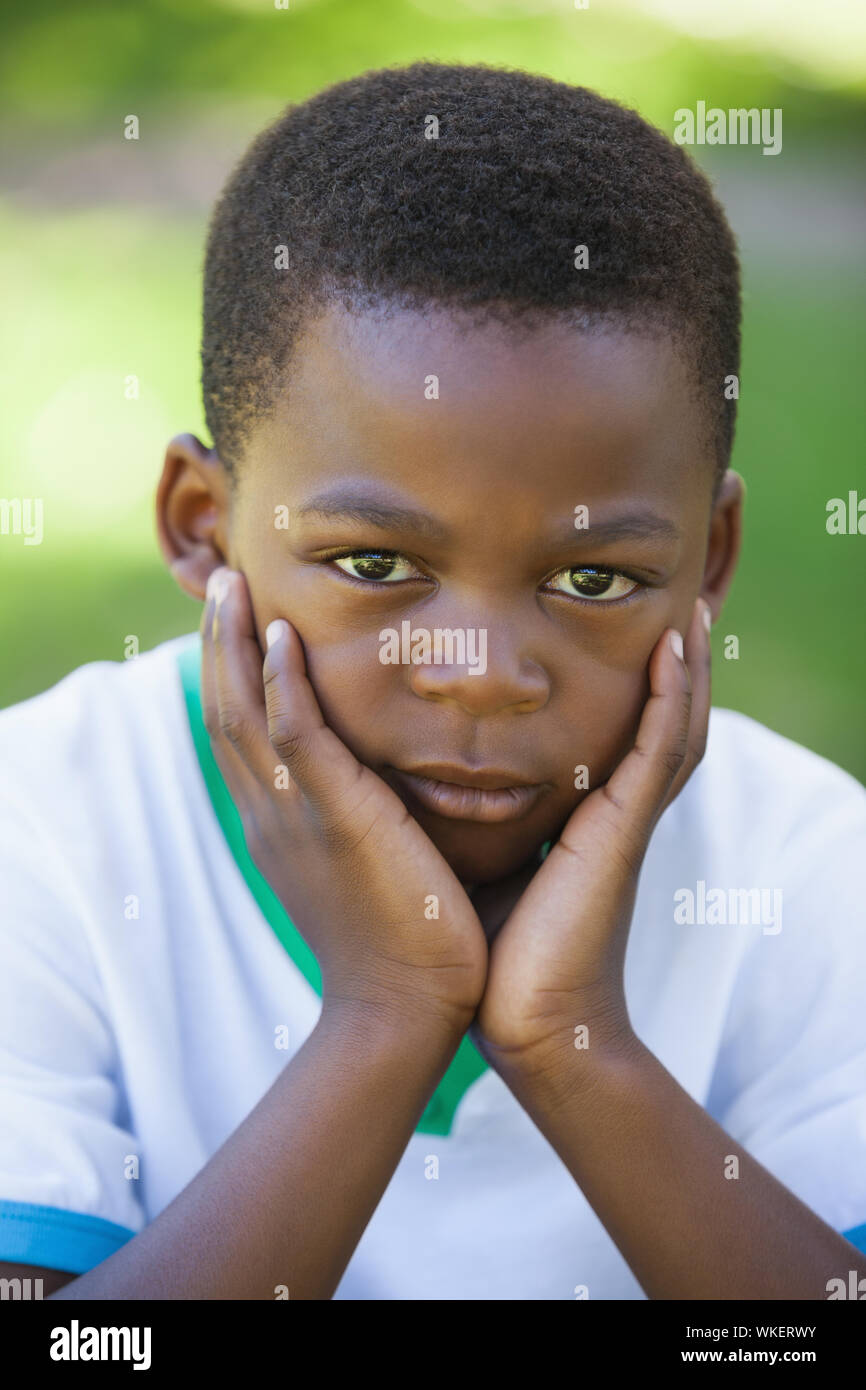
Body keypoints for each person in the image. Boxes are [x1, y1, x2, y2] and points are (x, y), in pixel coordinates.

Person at [1, 61, 864, 1300]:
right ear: (201, 526)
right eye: (374, 562)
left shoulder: (802, 861)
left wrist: (576, 1047)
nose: (482, 679)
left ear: (707, 561)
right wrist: (386, 1012)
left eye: (593, 579)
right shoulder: (40, 824)